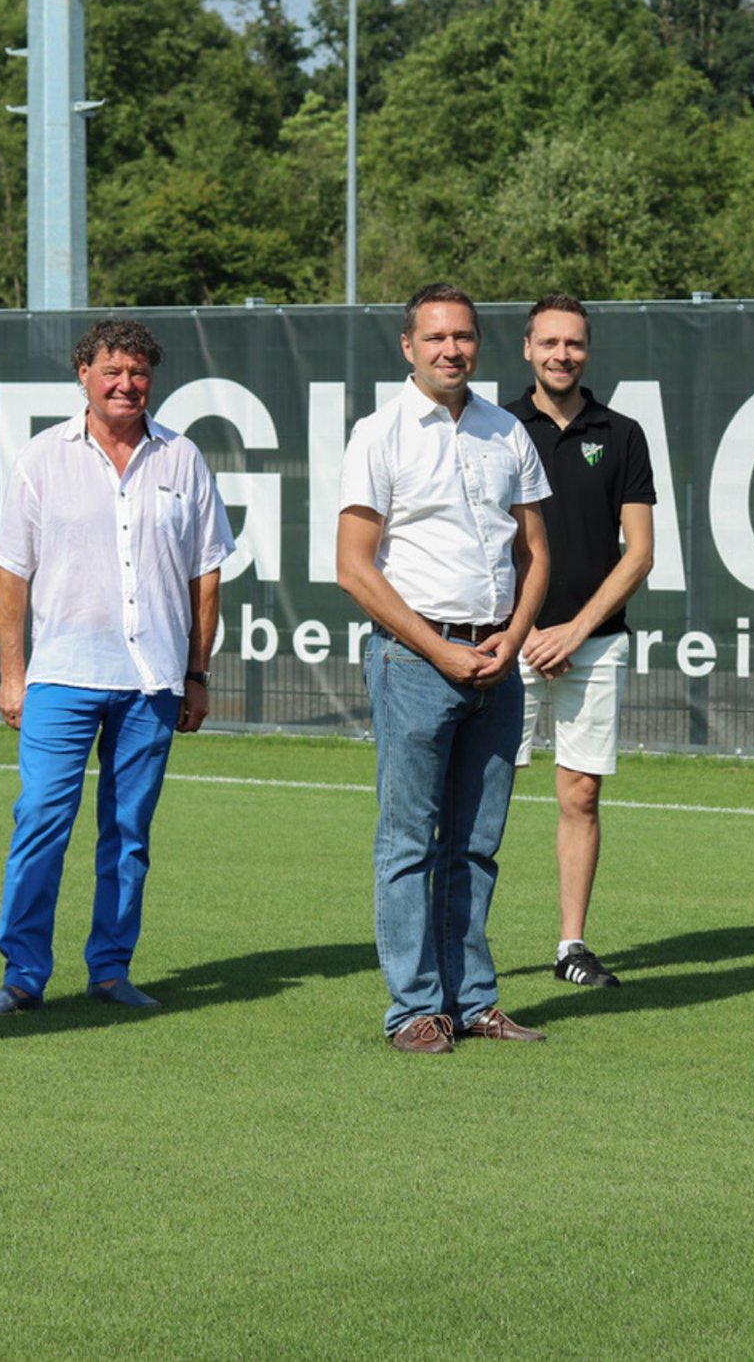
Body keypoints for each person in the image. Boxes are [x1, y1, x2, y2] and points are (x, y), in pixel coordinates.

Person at [0, 319, 235, 1018]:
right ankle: (22, 975)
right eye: (112, 370)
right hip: (60, 674)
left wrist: (197, 673)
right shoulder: (39, 458)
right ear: (82, 372)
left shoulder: (183, 459)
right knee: (40, 822)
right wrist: (12, 672)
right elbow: (10, 575)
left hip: (153, 681)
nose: (127, 384)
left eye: (139, 372)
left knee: (129, 833)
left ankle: (110, 970)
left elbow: (206, 576)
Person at [338, 283, 552, 1054]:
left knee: (477, 841)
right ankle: (413, 1010)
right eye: (435, 338)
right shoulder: (379, 433)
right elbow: (354, 569)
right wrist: (441, 649)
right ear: (409, 346)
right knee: (409, 842)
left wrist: (512, 637)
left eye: (462, 337)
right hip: (414, 663)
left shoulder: (506, 432)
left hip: (496, 662)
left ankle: (472, 1000)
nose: (451, 350)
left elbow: (536, 555)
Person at [503, 295, 657, 989]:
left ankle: (571, 945)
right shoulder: (495, 426)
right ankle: (462, 941)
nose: (562, 354)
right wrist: (524, 628)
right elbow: (477, 538)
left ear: (586, 351)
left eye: (575, 344)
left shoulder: (620, 433)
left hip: (592, 643)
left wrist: (575, 629)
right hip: (508, 641)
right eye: (550, 343)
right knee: (482, 790)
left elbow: (639, 553)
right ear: (527, 348)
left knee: (582, 794)